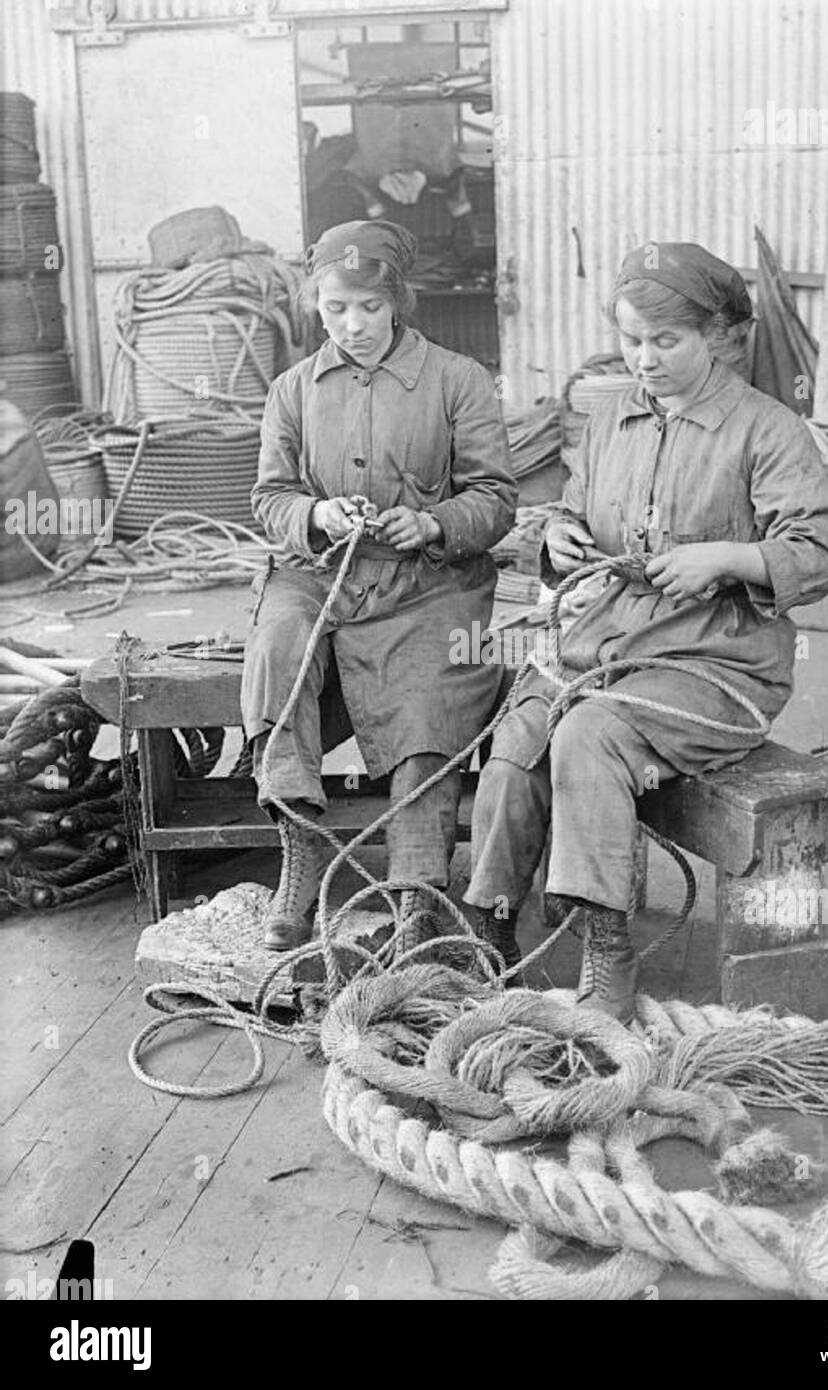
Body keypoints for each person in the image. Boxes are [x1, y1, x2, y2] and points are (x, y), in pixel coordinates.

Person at [463, 241, 828, 1021]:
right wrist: (560, 537)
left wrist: (726, 558)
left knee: (588, 736)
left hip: (718, 666)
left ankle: (608, 953)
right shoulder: (612, 421)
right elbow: (578, 506)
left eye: (664, 341)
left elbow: (822, 550)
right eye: (632, 340)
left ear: (720, 338)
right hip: (607, 646)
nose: (644, 359)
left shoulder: (767, 431)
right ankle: (489, 925)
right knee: (517, 741)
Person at [242, 219, 517, 951]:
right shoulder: (292, 390)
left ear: (398, 300)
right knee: (278, 651)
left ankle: (417, 892)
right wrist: (317, 512)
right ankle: (300, 859)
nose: (353, 325)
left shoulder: (459, 381)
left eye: (369, 306)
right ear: (316, 307)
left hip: (430, 583)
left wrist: (431, 525)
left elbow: (494, 499)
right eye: (336, 308)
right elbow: (269, 500)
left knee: (431, 689)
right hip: (319, 574)